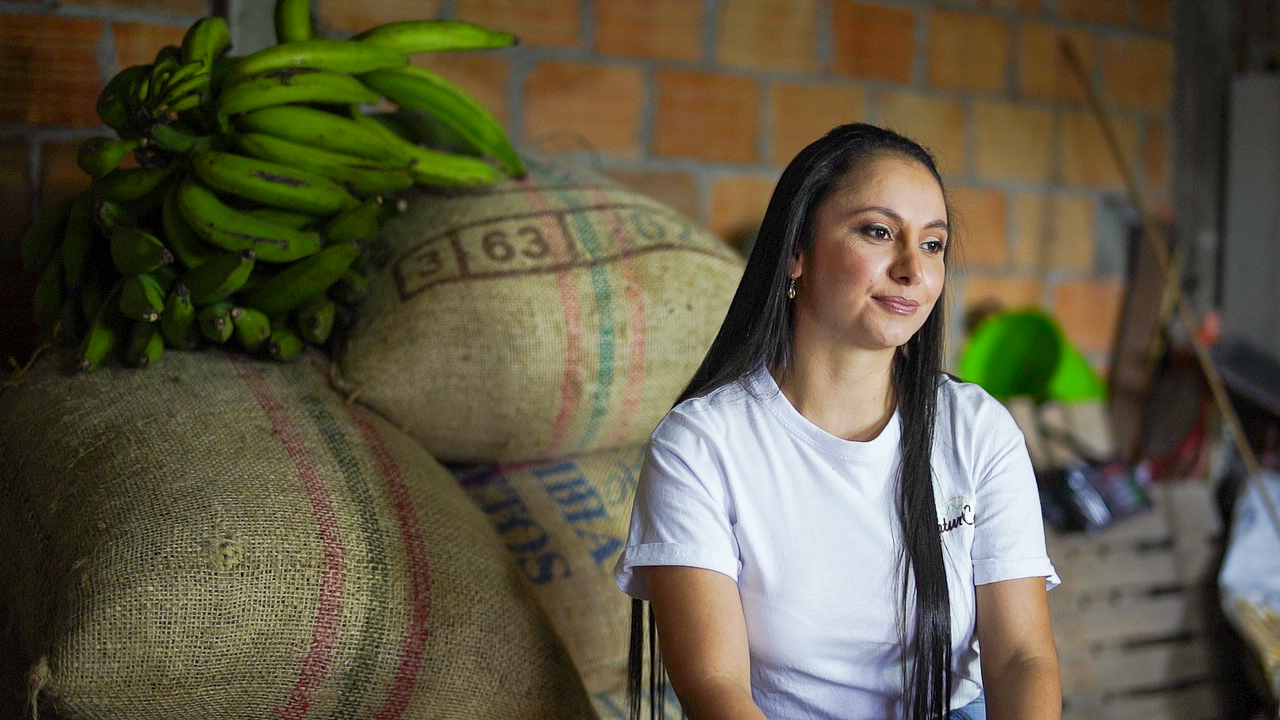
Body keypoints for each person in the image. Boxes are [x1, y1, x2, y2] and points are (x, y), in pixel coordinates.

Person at [614, 123, 1062, 720]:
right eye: (879, 232)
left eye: (932, 245)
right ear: (796, 252)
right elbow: (716, 687)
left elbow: (1022, 659)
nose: (913, 270)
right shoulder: (701, 445)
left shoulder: (977, 430)